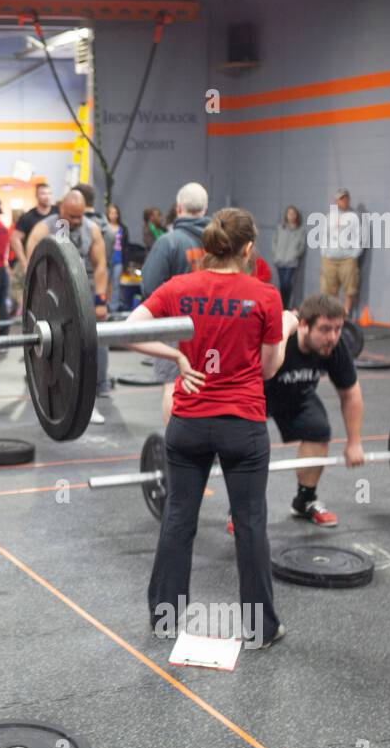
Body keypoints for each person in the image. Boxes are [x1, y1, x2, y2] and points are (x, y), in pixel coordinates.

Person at [123, 207, 294, 648]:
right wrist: (288, 328)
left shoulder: (180, 287)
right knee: (251, 523)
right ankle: (261, 629)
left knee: (179, 518)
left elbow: (126, 331)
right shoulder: (265, 295)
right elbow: (270, 369)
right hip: (243, 425)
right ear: (249, 249)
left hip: (189, 422)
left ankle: (164, 619)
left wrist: (177, 357)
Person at [239, 293, 363, 532]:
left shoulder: (333, 347)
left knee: (318, 429)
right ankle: (241, 507)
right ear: (303, 325)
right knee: (250, 442)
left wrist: (354, 442)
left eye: (338, 329)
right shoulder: (281, 337)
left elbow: (351, 393)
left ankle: (305, 500)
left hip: (297, 396)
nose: (333, 337)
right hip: (256, 396)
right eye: (325, 329)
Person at [26, 190, 111, 418]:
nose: (76, 221)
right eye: (72, 216)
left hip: (81, 296)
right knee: (60, 350)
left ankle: (91, 398)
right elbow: (32, 269)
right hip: (54, 300)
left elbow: (101, 265)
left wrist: (101, 300)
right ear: (61, 208)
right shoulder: (43, 229)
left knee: (87, 346)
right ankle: (52, 398)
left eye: (80, 216)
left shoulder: (91, 229)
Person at [141, 182, 211, 424]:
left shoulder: (168, 242)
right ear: (205, 209)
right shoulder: (220, 242)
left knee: (173, 385)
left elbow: (149, 287)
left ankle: (175, 451)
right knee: (209, 386)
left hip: (176, 326)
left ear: (179, 208)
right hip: (214, 325)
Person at [8, 182, 55, 316]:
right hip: (34, 260)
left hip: (55, 262)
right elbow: (14, 239)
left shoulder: (59, 213)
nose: (46, 197)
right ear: (36, 196)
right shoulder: (28, 217)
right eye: (43, 193)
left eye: (49, 193)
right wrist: (24, 262)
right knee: (17, 287)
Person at [320, 187, 363, 318]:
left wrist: (354, 254)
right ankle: (332, 314)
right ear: (336, 201)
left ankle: (345, 314)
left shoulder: (354, 217)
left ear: (348, 199)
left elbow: (359, 236)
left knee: (350, 288)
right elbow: (324, 235)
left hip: (347, 258)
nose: (343, 201)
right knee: (328, 289)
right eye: (340, 199)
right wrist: (324, 252)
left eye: (345, 198)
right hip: (330, 258)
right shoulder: (329, 216)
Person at [270, 206, 307, 309]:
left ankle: (285, 305)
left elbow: (302, 246)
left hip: (291, 262)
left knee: (287, 283)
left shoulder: (300, 230)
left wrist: (295, 254)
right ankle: (281, 305)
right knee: (281, 284)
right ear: (286, 215)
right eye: (289, 213)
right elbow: (274, 241)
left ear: (296, 216)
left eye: (293, 214)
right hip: (279, 260)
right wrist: (276, 253)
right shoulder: (280, 228)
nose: (291, 216)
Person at [105, 204, 130, 313]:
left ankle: (114, 307)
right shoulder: (104, 228)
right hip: (106, 259)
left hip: (118, 259)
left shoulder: (123, 229)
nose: (113, 215)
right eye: (111, 213)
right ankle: (104, 304)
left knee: (116, 284)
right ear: (108, 214)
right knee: (105, 283)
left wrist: (126, 263)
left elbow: (126, 247)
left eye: (115, 213)